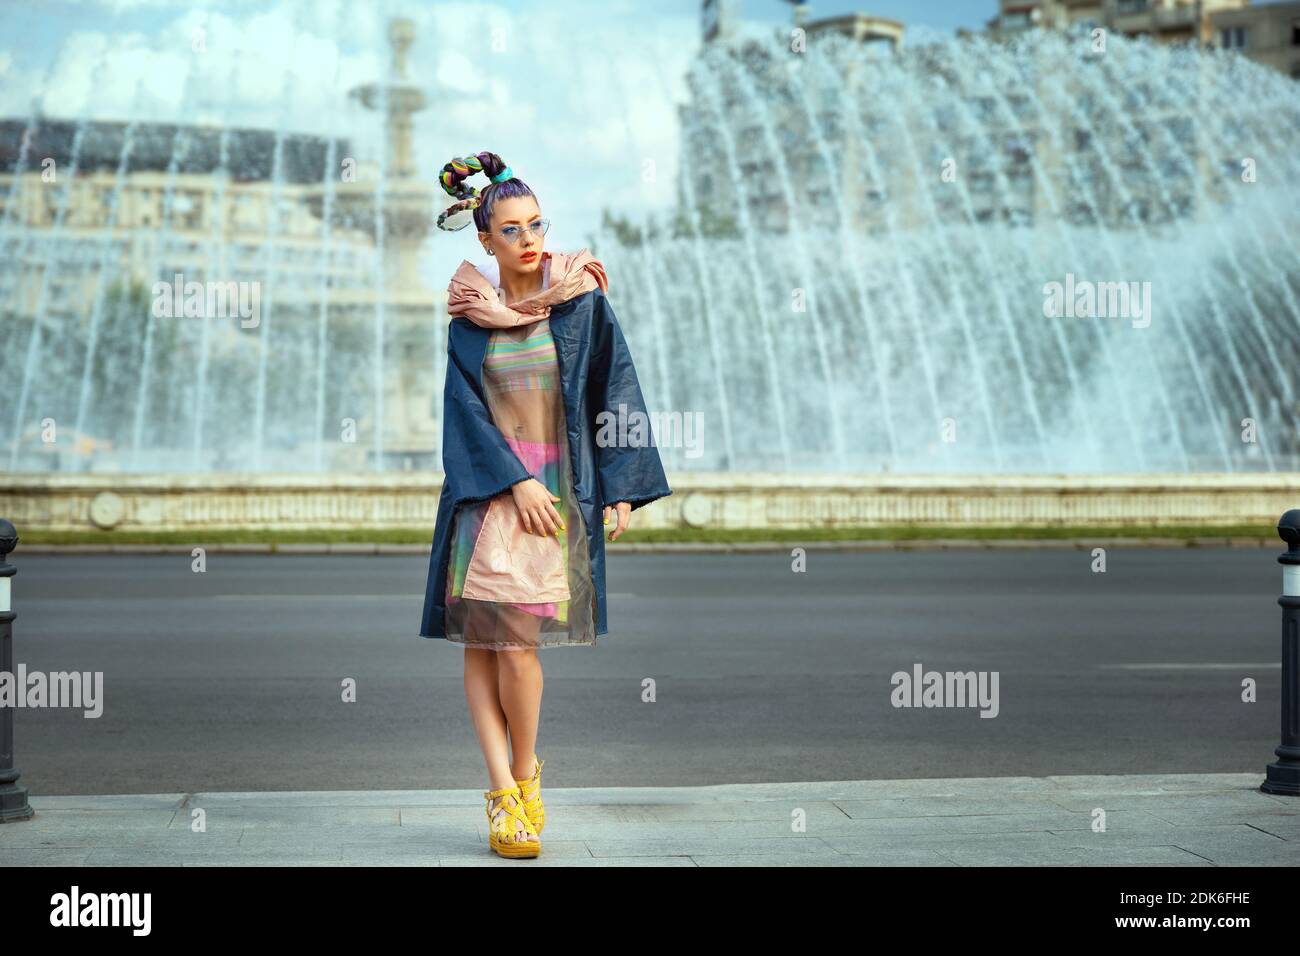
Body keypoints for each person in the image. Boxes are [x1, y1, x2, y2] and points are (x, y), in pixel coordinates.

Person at [419, 151, 671, 858]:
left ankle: (527, 771)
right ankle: (503, 795)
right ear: (485, 239)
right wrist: (513, 481)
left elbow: (614, 388)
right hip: (490, 496)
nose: (528, 239)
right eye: (511, 229)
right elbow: (464, 413)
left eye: (536, 224)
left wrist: (622, 484)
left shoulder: (580, 302)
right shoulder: (469, 318)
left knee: (519, 647)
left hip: (557, 492)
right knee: (483, 644)